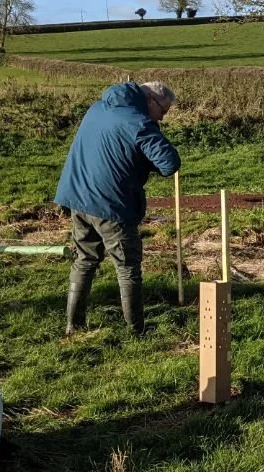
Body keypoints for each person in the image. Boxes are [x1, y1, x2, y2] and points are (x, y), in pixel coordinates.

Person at [56, 81, 180, 336]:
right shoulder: (139, 123)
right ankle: (136, 331)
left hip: (78, 197)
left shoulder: (97, 108)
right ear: (151, 101)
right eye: (163, 111)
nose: (163, 118)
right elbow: (169, 163)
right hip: (112, 205)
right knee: (128, 267)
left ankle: (73, 325)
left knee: (85, 260)